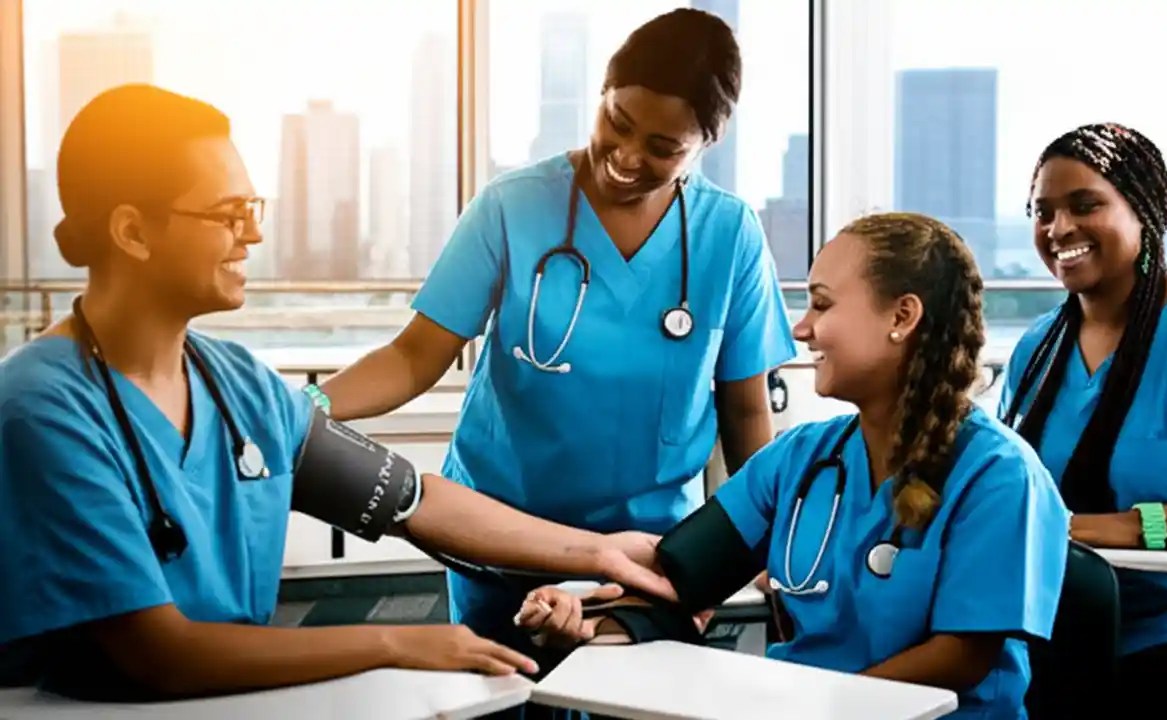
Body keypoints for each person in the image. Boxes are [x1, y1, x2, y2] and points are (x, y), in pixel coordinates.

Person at [0, 83, 675, 702]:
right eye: (229, 214)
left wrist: (600, 550)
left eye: (253, 210)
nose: (253, 234)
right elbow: (157, 654)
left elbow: (415, 500)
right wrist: (397, 643)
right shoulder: (43, 407)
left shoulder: (239, 386)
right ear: (132, 231)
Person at [317, 6, 795, 675]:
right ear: (601, 93)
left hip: (647, 556)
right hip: (500, 534)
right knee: (499, 691)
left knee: (632, 700)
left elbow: (744, 410)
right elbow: (412, 356)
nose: (626, 157)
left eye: (662, 148)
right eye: (617, 122)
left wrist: (769, 542)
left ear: (705, 145)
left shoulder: (731, 234)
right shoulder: (513, 205)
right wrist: (302, 409)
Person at [519, 212, 1072, 719]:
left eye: (822, 305)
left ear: (902, 316)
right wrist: (584, 619)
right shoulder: (801, 457)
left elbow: (961, 657)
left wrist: (817, 708)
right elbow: (680, 577)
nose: (802, 329)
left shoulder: (999, 475)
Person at [997, 122, 1167, 718]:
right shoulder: (1037, 352)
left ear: (1145, 212)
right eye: (1043, 212)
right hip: (1052, 626)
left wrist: (1134, 526)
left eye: (1085, 205)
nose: (1059, 229)